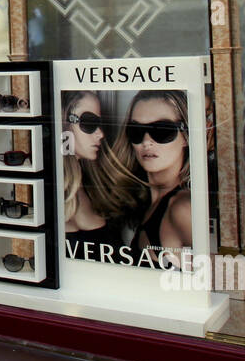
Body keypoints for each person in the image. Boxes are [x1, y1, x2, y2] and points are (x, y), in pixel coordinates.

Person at [105, 89, 193, 269]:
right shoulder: (143, 202)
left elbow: (219, 282)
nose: (146, 141)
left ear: (186, 136)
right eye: (137, 131)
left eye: (161, 130)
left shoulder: (183, 208)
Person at [61, 90, 127, 262]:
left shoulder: (93, 184)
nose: (100, 133)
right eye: (89, 123)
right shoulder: (46, 187)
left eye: (99, 124)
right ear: (64, 123)